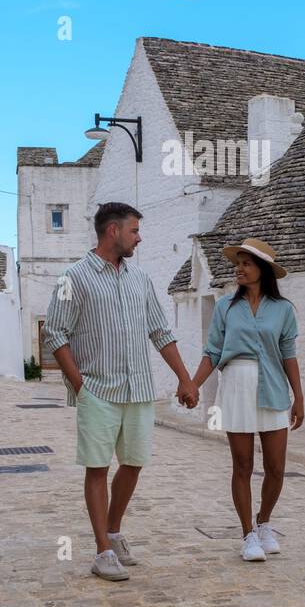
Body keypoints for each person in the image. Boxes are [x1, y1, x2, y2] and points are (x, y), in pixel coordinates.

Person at [44, 202, 199, 582]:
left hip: (138, 389)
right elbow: (55, 333)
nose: (139, 237)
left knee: (134, 462)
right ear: (112, 231)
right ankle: (101, 551)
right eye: (134, 230)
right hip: (97, 389)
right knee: (97, 467)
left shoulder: (140, 280)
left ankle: (113, 533)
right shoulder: (73, 278)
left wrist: (185, 378)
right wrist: (79, 384)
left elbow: (160, 332)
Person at [190, 238, 304, 562]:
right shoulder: (225, 307)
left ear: (262, 270)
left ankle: (264, 522)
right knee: (243, 464)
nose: (239, 268)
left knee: (276, 467)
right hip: (237, 385)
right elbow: (212, 352)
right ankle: (247, 535)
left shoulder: (283, 311)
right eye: (237, 263)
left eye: (246, 263)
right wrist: (193, 385)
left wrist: (299, 397)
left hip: (274, 388)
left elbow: (289, 356)